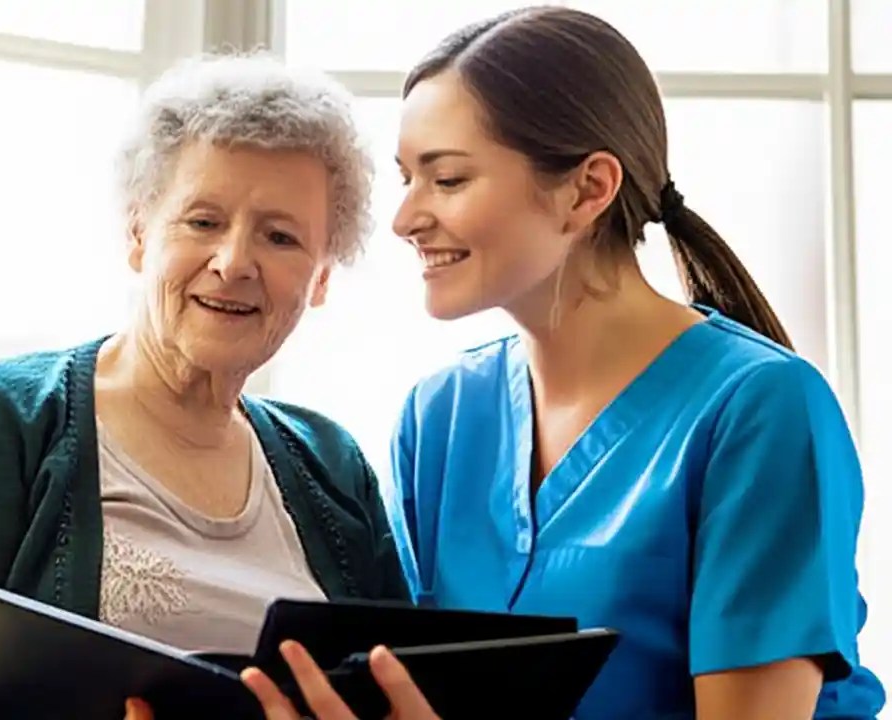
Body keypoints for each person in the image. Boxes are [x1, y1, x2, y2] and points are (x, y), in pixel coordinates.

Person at [248, 6, 887, 720]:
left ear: (587, 190)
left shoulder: (761, 410)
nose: (405, 219)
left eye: (448, 180)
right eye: (407, 179)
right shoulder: (440, 418)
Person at [0, 53, 416, 717]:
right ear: (139, 234)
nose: (234, 262)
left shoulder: (332, 461)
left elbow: (402, 687)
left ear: (323, 278)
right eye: (203, 221)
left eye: (280, 237)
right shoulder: (4, 415)